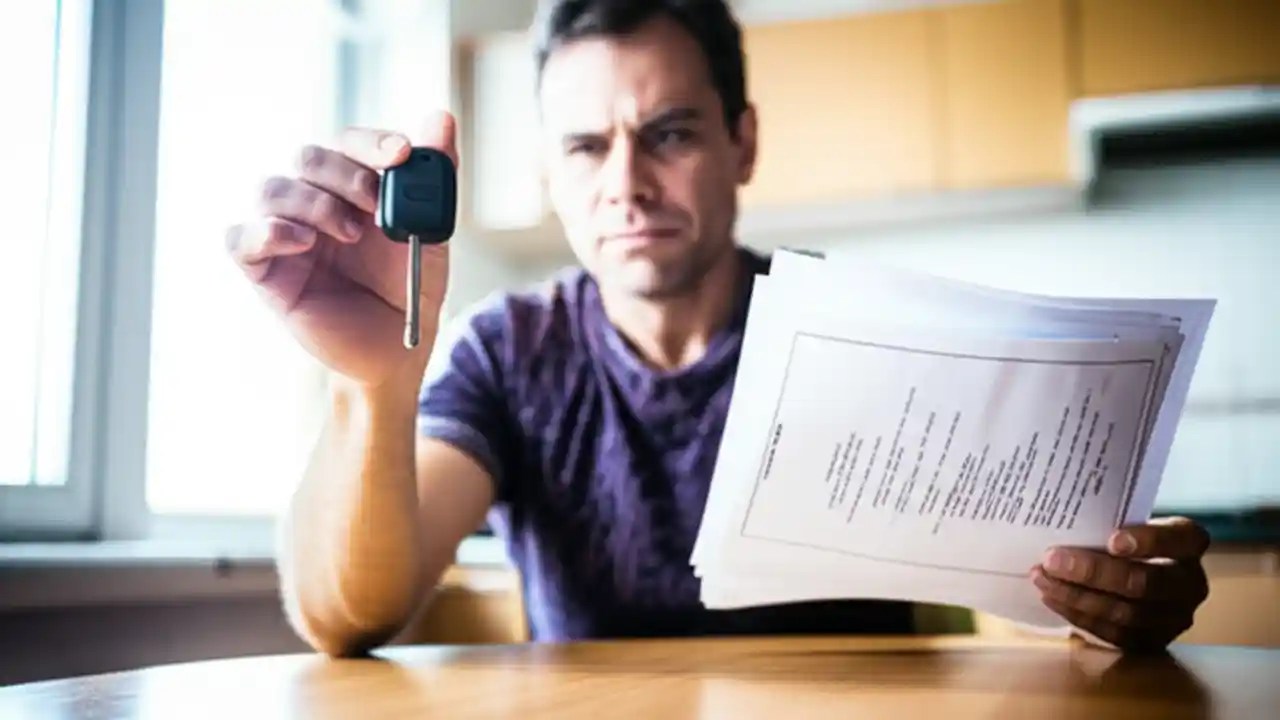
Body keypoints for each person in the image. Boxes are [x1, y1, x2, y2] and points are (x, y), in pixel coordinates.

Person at [226, 0, 1210, 656]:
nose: (625, 184)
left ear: (741, 142)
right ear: (548, 169)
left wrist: (1112, 598)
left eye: (670, 132)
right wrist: (371, 386)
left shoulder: (863, 327)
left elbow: (1053, 578)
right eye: (584, 145)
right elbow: (350, 615)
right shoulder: (509, 353)